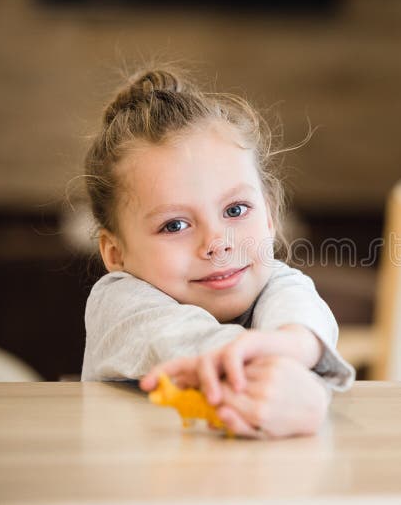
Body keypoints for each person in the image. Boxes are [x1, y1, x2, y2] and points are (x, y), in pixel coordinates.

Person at [80, 68, 355, 438]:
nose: (217, 242)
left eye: (236, 210)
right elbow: (196, 349)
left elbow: (303, 313)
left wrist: (293, 343)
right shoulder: (118, 303)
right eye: (175, 225)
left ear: (270, 218)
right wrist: (287, 375)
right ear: (116, 254)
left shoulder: (272, 280)